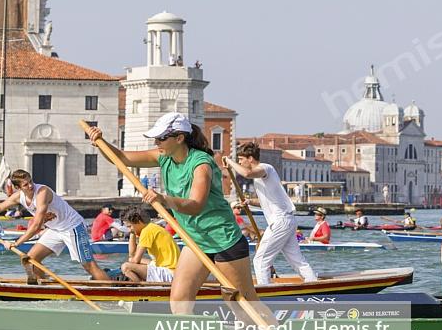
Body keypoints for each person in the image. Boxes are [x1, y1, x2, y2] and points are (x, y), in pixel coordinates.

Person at [87, 113, 258, 313]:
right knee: (179, 299)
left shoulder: (201, 164)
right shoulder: (163, 156)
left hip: (224, 240)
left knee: (240, 304)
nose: (157, 142)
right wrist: (101, 142)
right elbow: (122, 158)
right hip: (195, 241)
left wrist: (164, 199)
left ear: (179, 138)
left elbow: (196, 205)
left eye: (161, 138)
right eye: (156, 138)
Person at [0, 171, 111, 282]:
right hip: (56, 229)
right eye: (25, 185)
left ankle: (111, 294)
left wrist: (17, 243)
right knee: (30, 260)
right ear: (18, 188)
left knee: (88, 265)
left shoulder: (42, 192)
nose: (30, 186)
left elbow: (37, 224)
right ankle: (43, 284)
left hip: (73, 227)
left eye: (30, 181)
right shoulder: (18, 196)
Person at [220, 142, 317, 286]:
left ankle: (265, 292)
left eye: (241, 159)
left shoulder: (265, 168)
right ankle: (313, 282)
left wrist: (229, 161)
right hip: (286, 220)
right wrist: (250, 202)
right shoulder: (259, 176)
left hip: (281, 221)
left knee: (260, 260)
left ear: (250, 158)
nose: (240, 162)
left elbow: (246, 173)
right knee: (297, 260)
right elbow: (268, 201)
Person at [120, 207, 180, 283]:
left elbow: (135, 261)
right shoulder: (150, 227)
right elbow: (132, 256)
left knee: (125, 267)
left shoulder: (147, 231)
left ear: (138, 222)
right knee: (130, 261)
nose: (130, 229)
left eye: (130, 226)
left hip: (170, 273)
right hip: (172, 269)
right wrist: (132, 233)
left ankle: (141, 288)